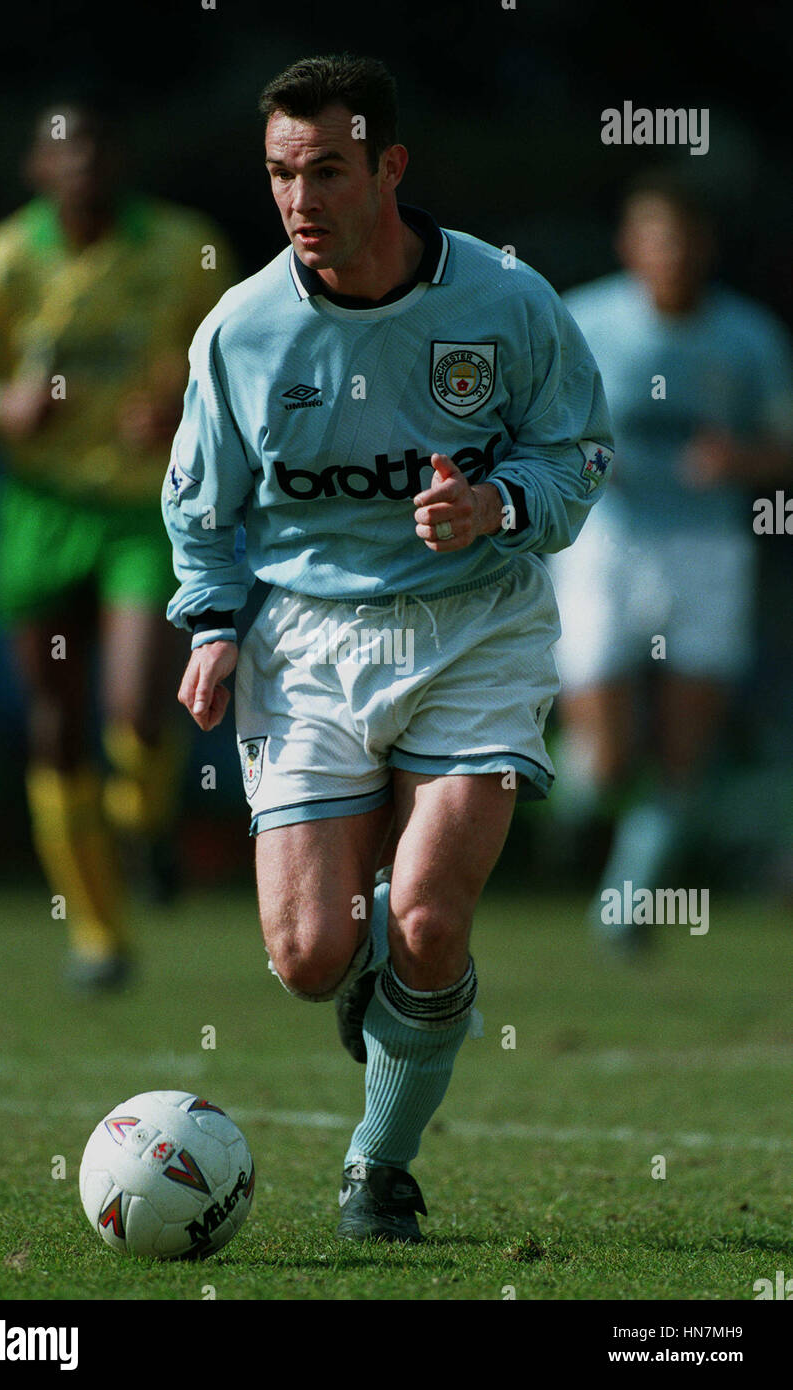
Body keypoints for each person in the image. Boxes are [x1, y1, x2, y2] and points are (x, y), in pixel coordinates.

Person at [163, 53, 613, 1242]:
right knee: (313, 958)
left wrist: (495, 506)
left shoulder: (506, 302)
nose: (299, 200)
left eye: (326, 171)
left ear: (389, 168)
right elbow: (202, 508)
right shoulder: (242, 330)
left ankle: (381, 1164)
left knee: (423, 916)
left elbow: (576, 454)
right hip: (306, 646)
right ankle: (379, 982)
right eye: (278, 174)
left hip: (474, 625)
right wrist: (212, 627)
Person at [0, 103, 239, 988]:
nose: (85, 162)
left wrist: (193, 409)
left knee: (139, 701)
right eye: (66, 147)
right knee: (56, 725)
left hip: (148, 508)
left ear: (123, 158)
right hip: (41, 509)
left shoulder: (187, 251)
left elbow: (251, 355)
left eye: (101, 144)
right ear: (35, 165)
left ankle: (144, 820)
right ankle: (100, 935)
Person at [548, 172, 793, 950]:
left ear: (706, 247)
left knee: (687, 749)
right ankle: (576, 785)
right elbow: (532, 429)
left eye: (687, 239)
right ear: (631, 245)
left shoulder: (749, 337)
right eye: (659, 237)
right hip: (608, 542)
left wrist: (742, 459)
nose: (674, 255)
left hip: (706, 548)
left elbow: (782, 445)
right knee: (613, 761)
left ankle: (625, 904)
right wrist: (586, 460)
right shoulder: (584, 320)